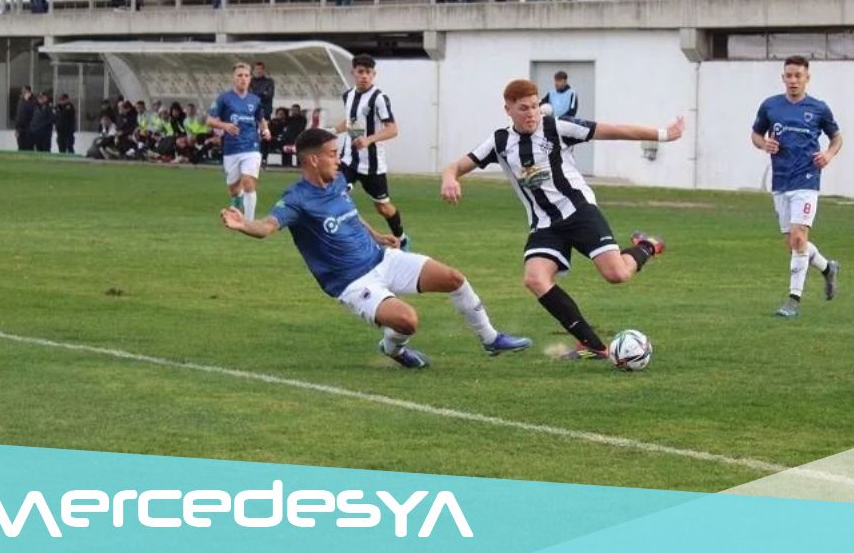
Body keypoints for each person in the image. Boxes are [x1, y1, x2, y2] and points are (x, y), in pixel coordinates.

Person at [221, 128, 533, 368]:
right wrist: (242, 224)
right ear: (313, 160)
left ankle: (491, 339)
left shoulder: (337, 180)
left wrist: (378, 235)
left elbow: (349, 215)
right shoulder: (297, 199)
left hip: (382, 257)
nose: (338, 159)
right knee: (408, 321)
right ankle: (393, 349)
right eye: (332, 153)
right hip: (353, 283)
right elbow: (266, 227)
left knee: (453, 278)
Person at [440, 79, 683, 361]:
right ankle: (593, 345)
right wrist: (449, 178)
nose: (531, 113)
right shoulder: (500, 142)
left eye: (534, 106)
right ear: (508, 109)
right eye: (523, 108)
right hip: (544, 225)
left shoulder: (557, 127)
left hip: (579, 211)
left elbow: (613, 130)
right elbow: (456, 166)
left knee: (616, 274)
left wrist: (664, 134)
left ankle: (646, 246)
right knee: (535, 279)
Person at [750, 55, 843, 318]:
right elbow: (756, 134)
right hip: (781, 180)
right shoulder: (770, 106)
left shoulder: (819, 109)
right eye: (789, 76)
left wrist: (829, 154)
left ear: (806, 78)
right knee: (794, 243)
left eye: (798, 76)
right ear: (783, 78)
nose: (793, 80)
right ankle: (828, 268)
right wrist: (763, 144)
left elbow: (837, 138)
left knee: (799, 237)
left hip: (807, 180)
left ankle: (793, 300)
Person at [334, 55, 411, 250]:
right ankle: (351, 239)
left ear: (373, 74)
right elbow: (352, 122)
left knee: (383, 207)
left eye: (368, 72)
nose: (364, 76)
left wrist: (369, 140)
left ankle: (401, 239)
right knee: (336, 194)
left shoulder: (379, 99)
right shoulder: (348, 95)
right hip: (349, 160)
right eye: (360, 72)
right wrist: (331, 132)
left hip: (372, 164)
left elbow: (392, 129)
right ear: (353, 73)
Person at [207, 62, 271, 219]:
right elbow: (209, 120)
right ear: (233, 78)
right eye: (240, 75)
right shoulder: (224, 98)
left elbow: (260, 118)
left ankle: (248, 222)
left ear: (250, 79)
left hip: (252, 147)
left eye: (246, 76)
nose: (243, 79)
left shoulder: (255, 99)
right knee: (234, 189)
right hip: (231, 149)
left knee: (248, 182)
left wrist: (266, 130)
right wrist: (225, 125)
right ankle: (237, 199)